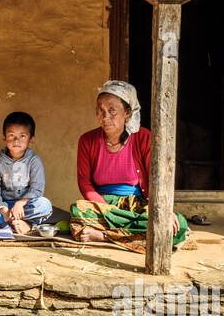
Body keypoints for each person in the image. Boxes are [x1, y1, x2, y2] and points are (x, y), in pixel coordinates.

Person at [71, 80, 189, 249]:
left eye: (112, 111)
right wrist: (107, 210)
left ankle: (104, 236)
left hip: (137, 204)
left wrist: (165, 210)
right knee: (78, 210)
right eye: (100, 110)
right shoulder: (87, 140)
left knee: (179, 226)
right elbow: (85, 183)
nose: (105, 117)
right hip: (103, 205)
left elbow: (155, 181)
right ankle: (135, 235)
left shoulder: (143, 137)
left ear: (127, 112)